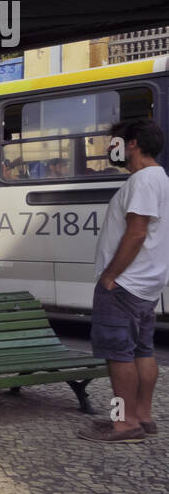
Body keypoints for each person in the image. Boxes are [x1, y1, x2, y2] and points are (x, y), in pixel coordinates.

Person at [79, 120, 169, 443]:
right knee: (142, 351)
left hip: (124, 286)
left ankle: (123, 423)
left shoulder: (143, 181)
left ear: (131, 144)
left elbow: (137, 232)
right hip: (147, 287)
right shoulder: (160, 178)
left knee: (119, 357)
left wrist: (110, 275)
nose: (110, 148)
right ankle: (142, 416)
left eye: (115, 142)